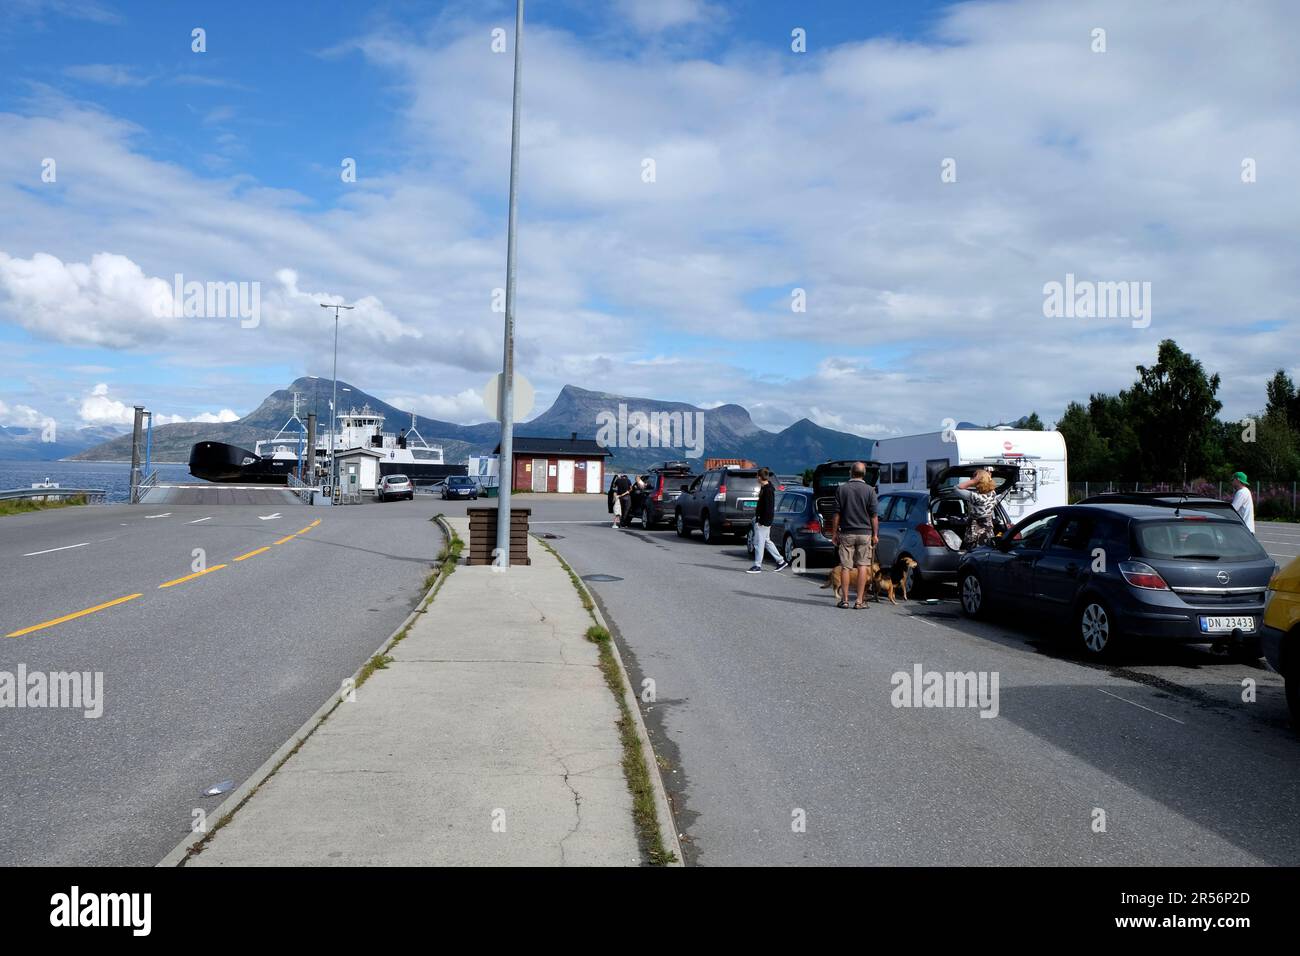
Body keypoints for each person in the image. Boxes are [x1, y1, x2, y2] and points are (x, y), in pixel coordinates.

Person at [829, 461, 879, 609]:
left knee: (846, 567)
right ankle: (859, 601)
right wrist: (875, 534)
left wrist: (834, 533)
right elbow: (874, 516)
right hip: (865, 533)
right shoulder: (870, 490)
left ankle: (844, 600)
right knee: (862, 566)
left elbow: (836, 514)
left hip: (846, 533)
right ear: (864, 474)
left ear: (850, 473)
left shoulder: (842, 489)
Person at [746, 468, 789, 573]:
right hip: (764, 520)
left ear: (760, 477)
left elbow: (768, 508)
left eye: (757, 476)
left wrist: (762, 521)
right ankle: (780, 561)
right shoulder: (766, 488)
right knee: (766, 541)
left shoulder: (768, 490)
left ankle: (757, 565)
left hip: (764, 521)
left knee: (759, 543)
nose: (756, 478)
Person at [953, 469, 999, 549]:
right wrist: (987, 477)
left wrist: (974, 480)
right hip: (988, 532)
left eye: (974, 477)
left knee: (974, 554)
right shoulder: (993, 494)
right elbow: (988, 486)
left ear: (978, 480)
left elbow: (956, 488)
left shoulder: (976, 497)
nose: (971, 479)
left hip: (975, 533)